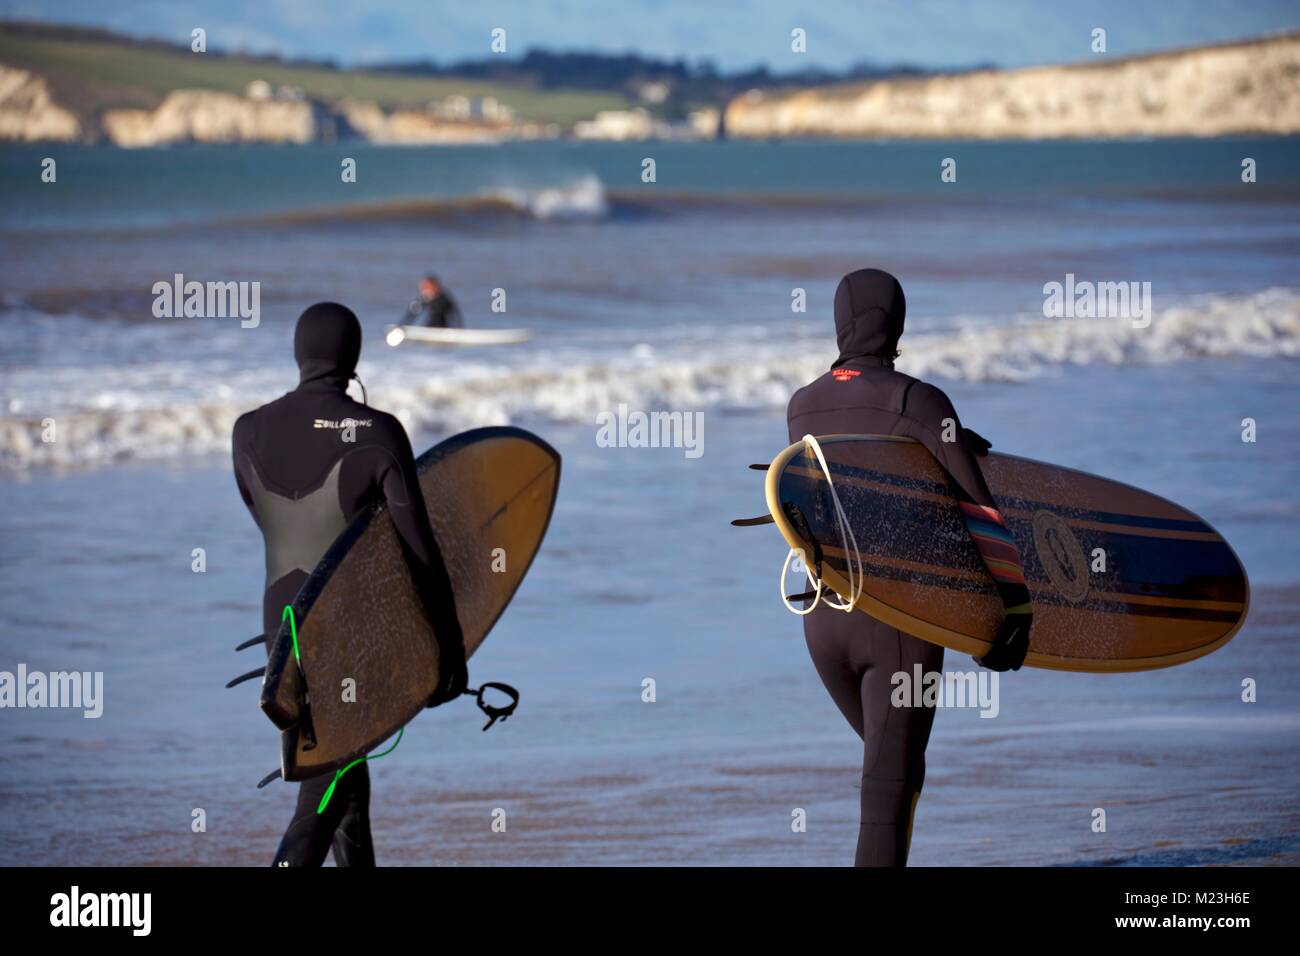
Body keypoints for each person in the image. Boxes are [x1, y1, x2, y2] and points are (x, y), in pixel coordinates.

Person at [786, 268, 1033, 867]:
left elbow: (853, 467)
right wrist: (1015, 611)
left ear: (839, 322)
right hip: (897, 621)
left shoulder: (801, 404)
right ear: (897, 322)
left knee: (893, 773)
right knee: (888, 795)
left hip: (823, 619)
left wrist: (939, 441)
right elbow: (979, 511)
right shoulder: (918, 400)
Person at [231, 302, 467, 867]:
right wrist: (449, 649)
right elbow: (420, 552)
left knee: (345, 782)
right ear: (355, 356)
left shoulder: (247, 430)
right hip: (350, 632)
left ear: (297, 352)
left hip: (279, 630)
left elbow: (261, 516)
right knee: (322, 796)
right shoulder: (377, 431)